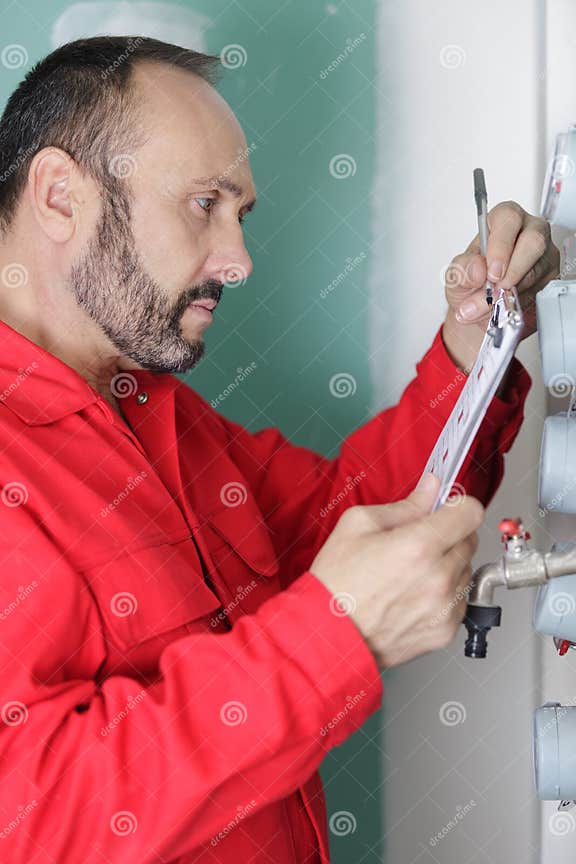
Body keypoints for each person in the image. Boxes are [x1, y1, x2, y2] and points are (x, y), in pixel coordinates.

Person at [0, 35, 559, 864]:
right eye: (204, 203)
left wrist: (476, 344)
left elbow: (364, 517)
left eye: (241, 214)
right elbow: (36, 822)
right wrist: (334, 639)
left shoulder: (159, 416)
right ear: (57, 195)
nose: (238, 260)